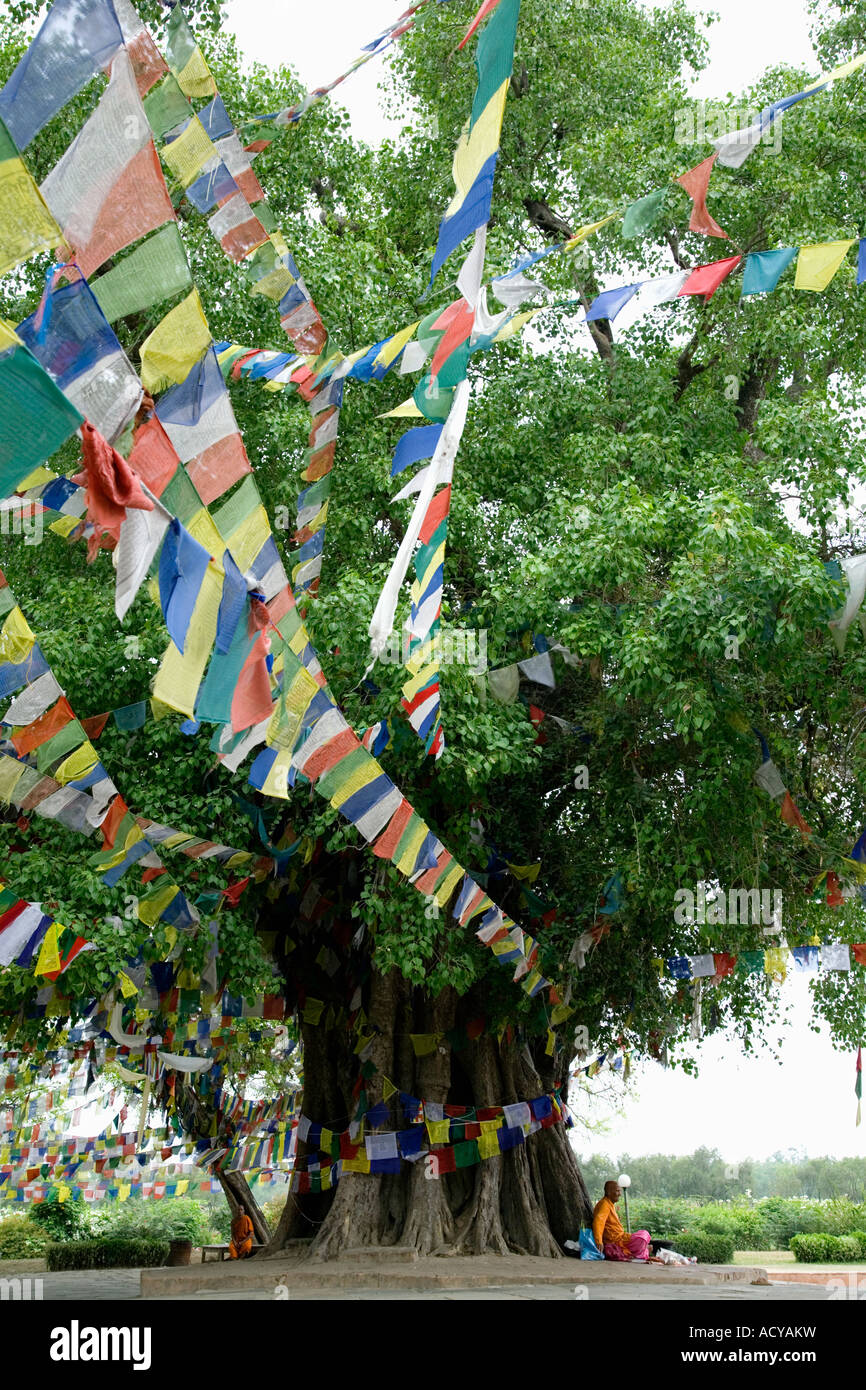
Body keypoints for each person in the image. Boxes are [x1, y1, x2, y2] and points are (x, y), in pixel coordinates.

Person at [592, 1180, 651, 1261]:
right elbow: (598, 1222)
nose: (620, 1194)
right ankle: (643, 1249)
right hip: (616, 1241)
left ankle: (643, 1249)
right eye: (617, 1191)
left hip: (621, 1238)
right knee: (643, 1236)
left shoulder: (609, 1203)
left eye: (619, 1191)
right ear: (609, 1192)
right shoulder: (605, 1204)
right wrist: (598, 1241)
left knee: (644, 1235)